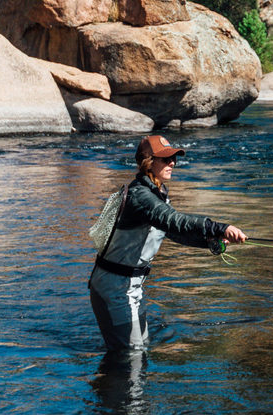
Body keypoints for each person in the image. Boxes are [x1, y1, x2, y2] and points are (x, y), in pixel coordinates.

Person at [88, 134, 247, 351]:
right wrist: (218, 227)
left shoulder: (157, 194)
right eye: (165, 159)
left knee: (138, 350)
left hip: (129, 286)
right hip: (114, 287)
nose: (172, 162)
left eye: (174, 158)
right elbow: (174, 220)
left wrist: (210, 241)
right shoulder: (140, 196)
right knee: (132, 355)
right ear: (148, 162)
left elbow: (172, 231)